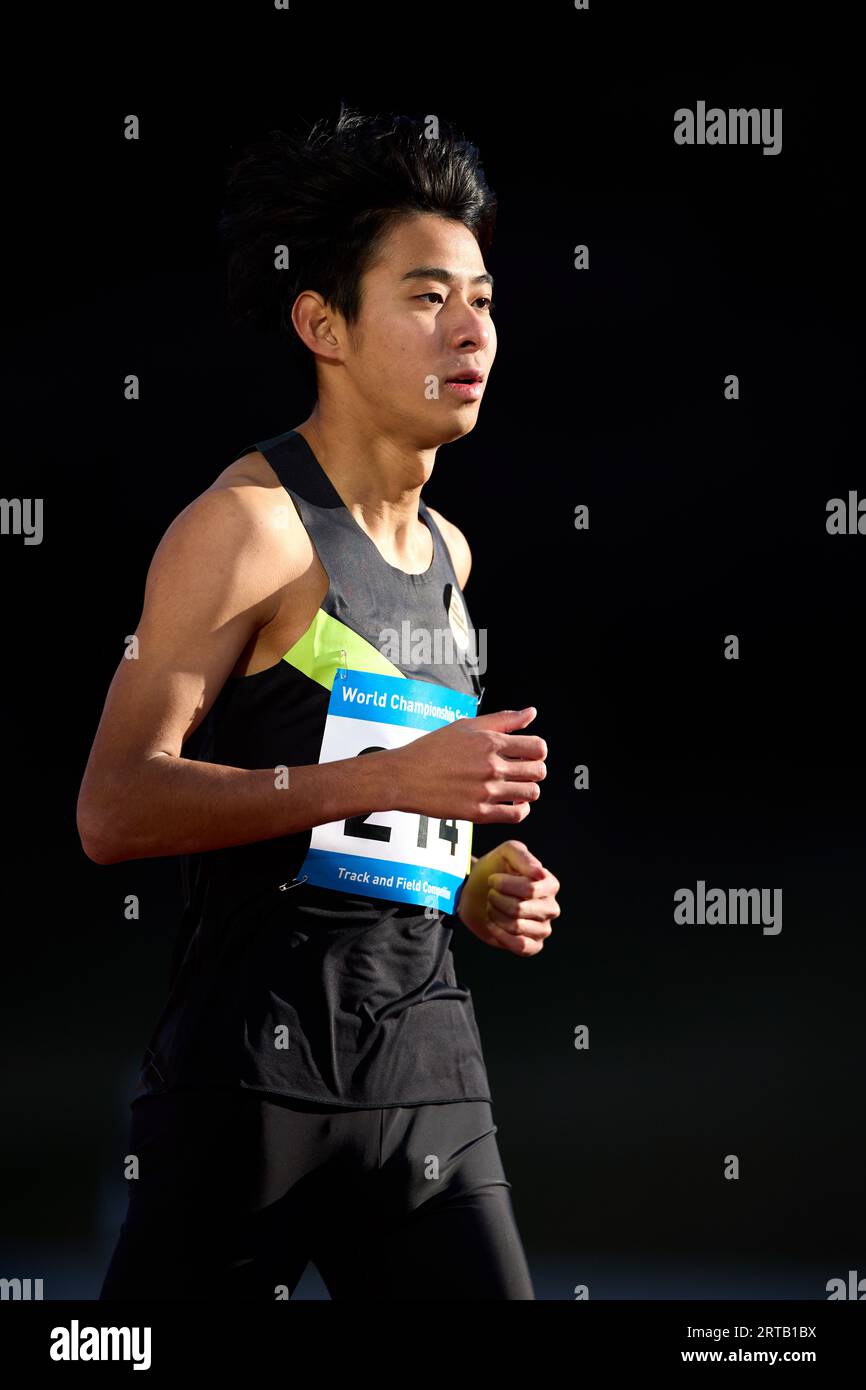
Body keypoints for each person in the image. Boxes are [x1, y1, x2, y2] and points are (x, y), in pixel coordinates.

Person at [78, 105, 561, 1301]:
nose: (472, 331)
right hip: (251, 1090)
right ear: (322, 323)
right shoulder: (243, 527)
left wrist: (473, 876)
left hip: (430, 1078)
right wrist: (390, 781)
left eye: (484, 299)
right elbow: (114, 808)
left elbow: (371, 834)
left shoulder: (451, 550)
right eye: (427, 296)